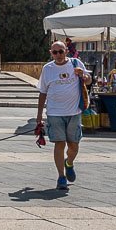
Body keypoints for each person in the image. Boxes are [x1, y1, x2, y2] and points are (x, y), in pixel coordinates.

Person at [36, 41, 90, 191]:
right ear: (51, 53)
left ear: (66, 51)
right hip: (54, 113)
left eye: (61, 51)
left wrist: (83, 76)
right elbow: (42, 93)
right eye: (55, 52)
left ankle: (69, 163)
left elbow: (89, 80)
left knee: (74, 145)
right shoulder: (47, 69)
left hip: (74, 112)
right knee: (59, 144)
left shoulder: (75, 63)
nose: (58, 55)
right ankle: (61, 177)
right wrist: (39, 116)